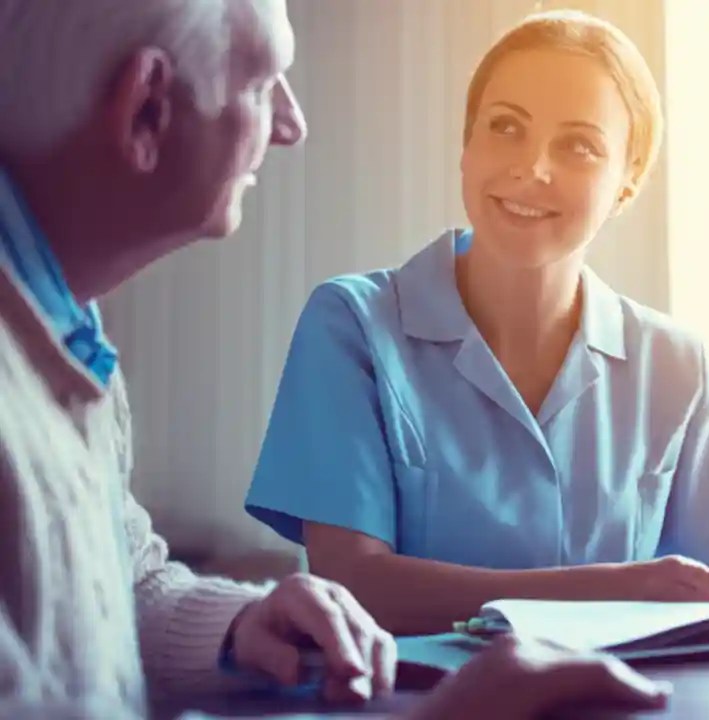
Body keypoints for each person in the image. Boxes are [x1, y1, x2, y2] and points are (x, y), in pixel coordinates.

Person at [0, 1, 668, 717]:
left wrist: (238, 624)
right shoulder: (353, 319)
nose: (291, 124)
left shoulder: (66, 330)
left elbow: (110, 583)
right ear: (146, 111)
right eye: (262, 84)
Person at [245, 9, 709, 638]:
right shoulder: (354, 325)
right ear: (466, 147)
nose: (533, 167)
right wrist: (617, 588)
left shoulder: (676, 364)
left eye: (579, 145)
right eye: (505, 128)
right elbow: (355, 588)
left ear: (628, 180)